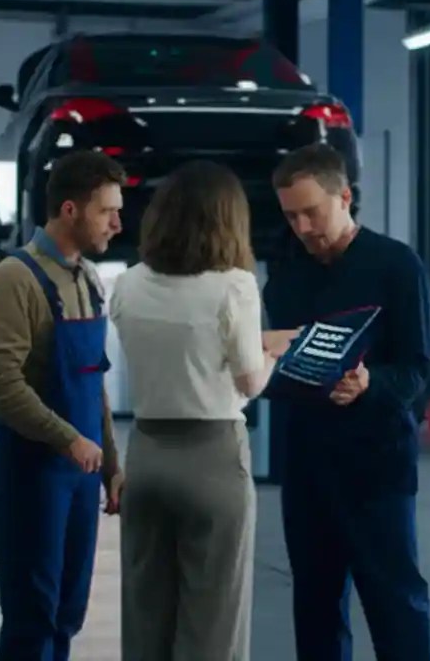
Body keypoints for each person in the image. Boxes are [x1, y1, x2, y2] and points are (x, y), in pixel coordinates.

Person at [261, 143, 430, 661]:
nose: (302, 227)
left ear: (345, 197)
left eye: (311, 212)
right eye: (290, 216)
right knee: (315, 604)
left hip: (377, 467)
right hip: (306, 465)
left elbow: (416, 369)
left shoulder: (396, 266)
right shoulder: (286, 278)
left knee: (396, 602)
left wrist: (369, 384)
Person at [109, 160, 277, 661]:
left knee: (146, 614)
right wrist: (272, 353)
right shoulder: (235, 285)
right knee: (213, 622)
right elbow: (249, 381)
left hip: (146, 456)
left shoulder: (127, 283)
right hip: (212, 459)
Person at [0, 150, 127, 661]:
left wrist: (111, 463)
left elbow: (93, 379)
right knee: (32, 617)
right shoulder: (13, 279)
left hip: (82, 471)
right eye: (107, 211)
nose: (117, 223)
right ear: (69, 210)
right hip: (33, 471)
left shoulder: (88, 279)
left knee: (67, 612)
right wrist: (67, 439)